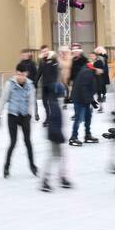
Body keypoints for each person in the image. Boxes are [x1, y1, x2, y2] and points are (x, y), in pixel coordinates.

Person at [0, 64, 38, 179]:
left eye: (23, 74)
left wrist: (32, 115)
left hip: (25, 115)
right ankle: (6, 167)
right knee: (13, 142)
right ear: (16, 73)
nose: (21, 77)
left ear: (26, 74)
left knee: (28, 142)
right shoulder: (9, 84)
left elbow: (31, 101)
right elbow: (3, 99)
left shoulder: (30, 85)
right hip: (13, 115)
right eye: (18, 74)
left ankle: (32, 166)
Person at [39, 52, 71, 192]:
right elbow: (54, 122)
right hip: (54, 135)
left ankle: (61, 177)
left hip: (56, 134)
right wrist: (58, 135)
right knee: (53, 156)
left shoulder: (55, 104)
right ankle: (45, 180)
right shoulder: (54, 105)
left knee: (60, 156)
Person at [69, 56, 100, 146]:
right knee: (79, 118)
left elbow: (88, 89)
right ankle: (73, 137)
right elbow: (83, 88)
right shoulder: (88, 72)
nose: (101, 71)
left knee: (88, 117)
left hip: (84, 99)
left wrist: (92, 101)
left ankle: (87, 135)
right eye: (100, 69)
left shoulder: (89, 71)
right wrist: (89, 100)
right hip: (79, 99)